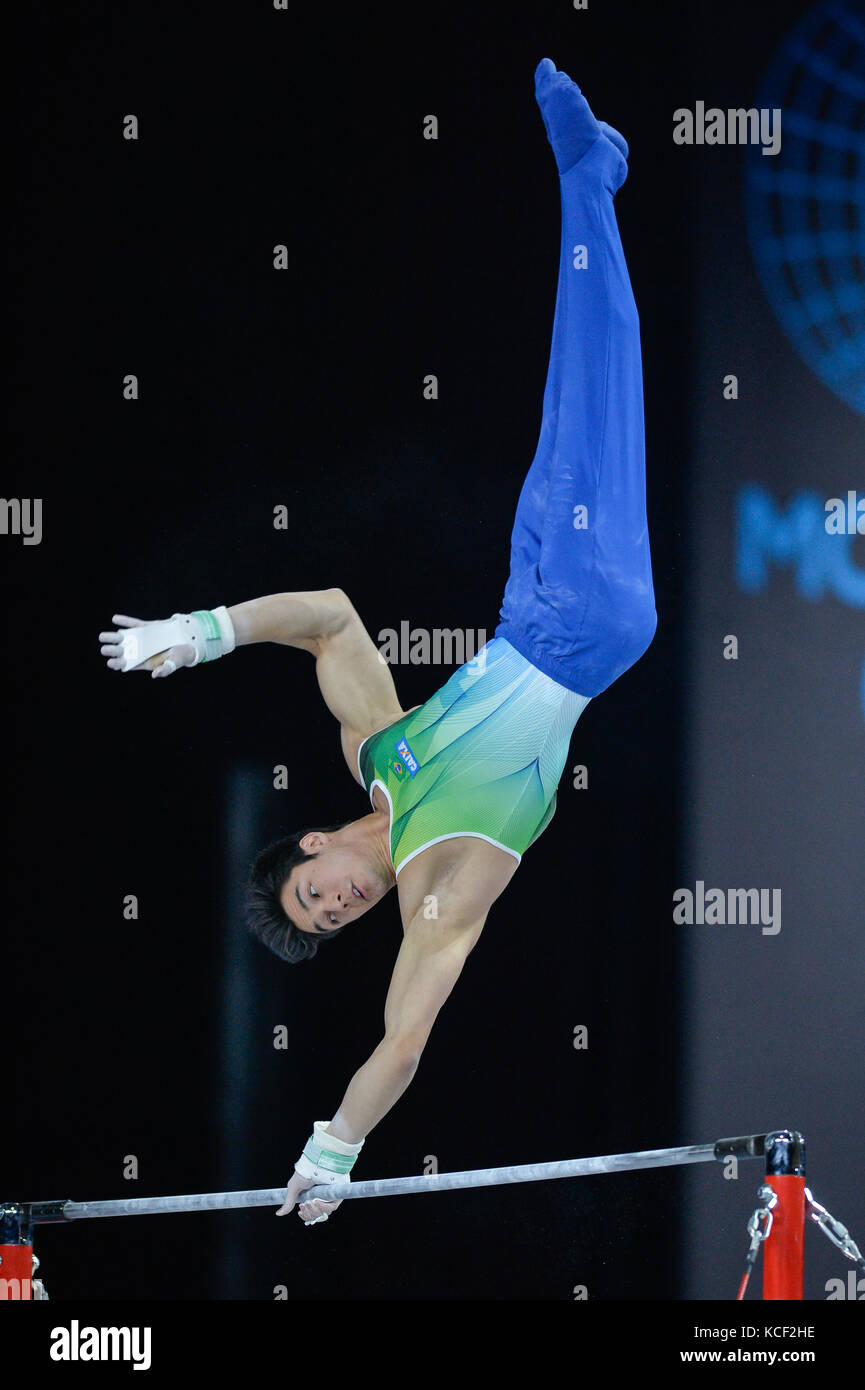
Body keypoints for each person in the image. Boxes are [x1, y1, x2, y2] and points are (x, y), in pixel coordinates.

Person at [98, 59, 657, 1228]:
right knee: (591, 381)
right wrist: (338, 1143)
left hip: (538, 601)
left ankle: (593, 180)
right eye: (330, 922)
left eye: (317, 896)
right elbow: (403, 1040)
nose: (341, 907)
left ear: (310, 844)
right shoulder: (437, 893)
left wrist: (205, 632)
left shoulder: (380, 750)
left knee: (585, 378)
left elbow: (333, 617)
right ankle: (585, 173)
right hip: (581, 625)